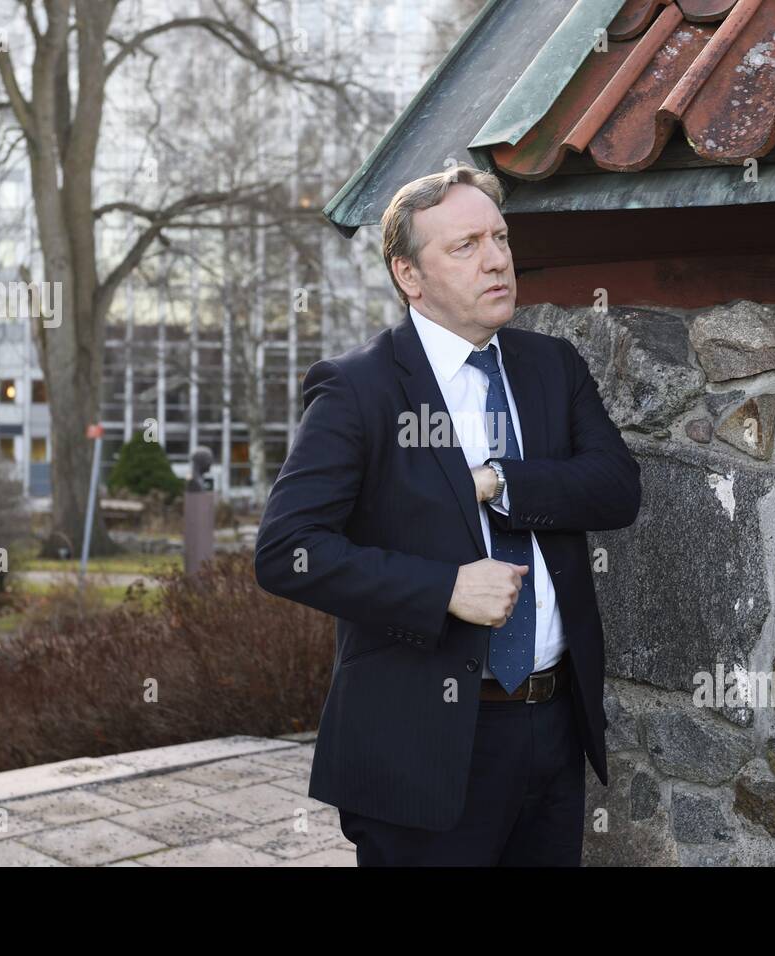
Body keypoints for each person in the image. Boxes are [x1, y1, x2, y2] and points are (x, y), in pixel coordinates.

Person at [254, 163, 641, 865]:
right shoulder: (358, 388)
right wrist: (445, 591)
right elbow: (287, 551)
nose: (496, 259)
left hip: (551, 727)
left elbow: (616, 488)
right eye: (465, 246)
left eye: (499, 238)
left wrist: (497, 480)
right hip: (419, 746)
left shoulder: (552, 367)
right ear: (409, 274)